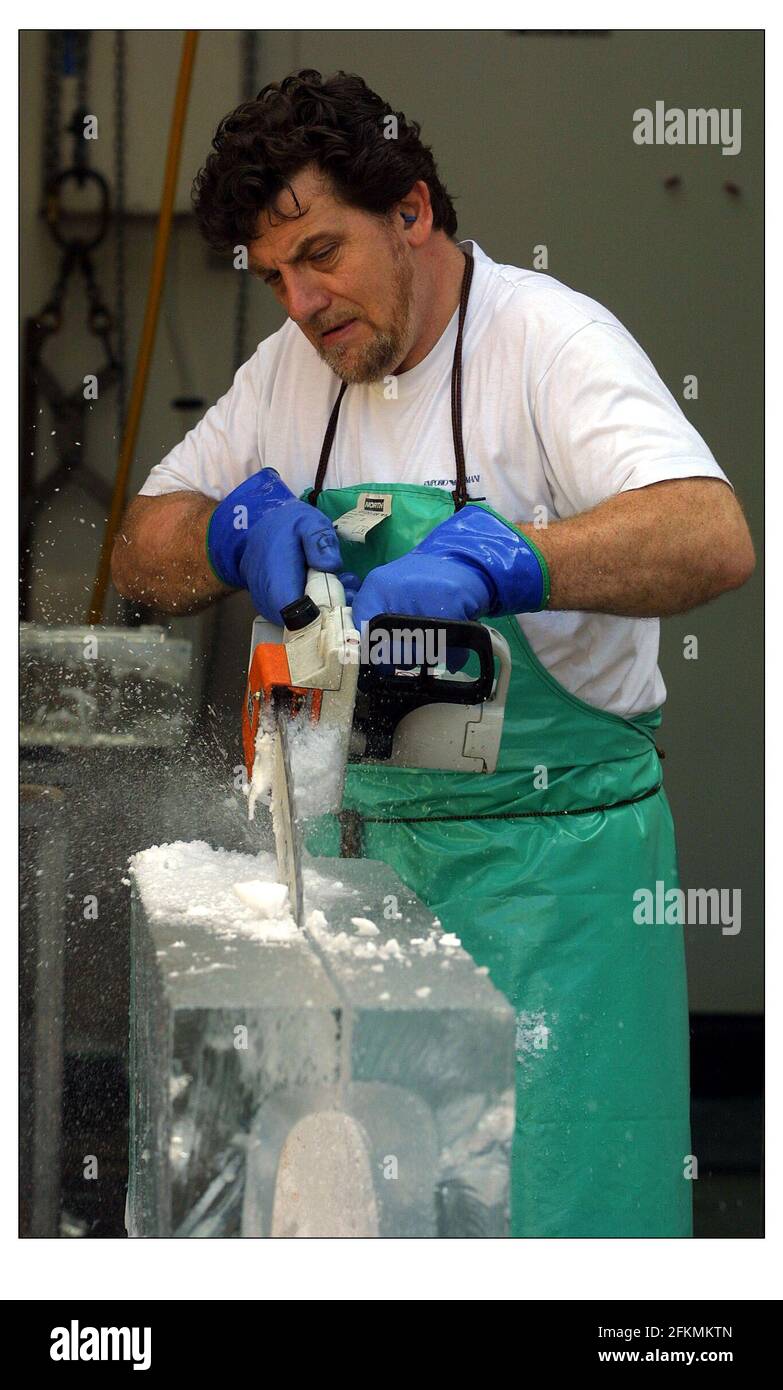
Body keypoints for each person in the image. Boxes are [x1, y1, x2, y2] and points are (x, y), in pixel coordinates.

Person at [112, 70, 755, 1238]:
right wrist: (222, 529)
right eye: (276, 279)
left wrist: (519, 562)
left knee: (560, 1242)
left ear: (412, 211)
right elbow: (137, 551)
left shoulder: (549, 343)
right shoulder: (289, 374)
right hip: (366, 899)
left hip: (556, 905)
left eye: (323, 254)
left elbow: (710, 533)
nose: (303, 304)